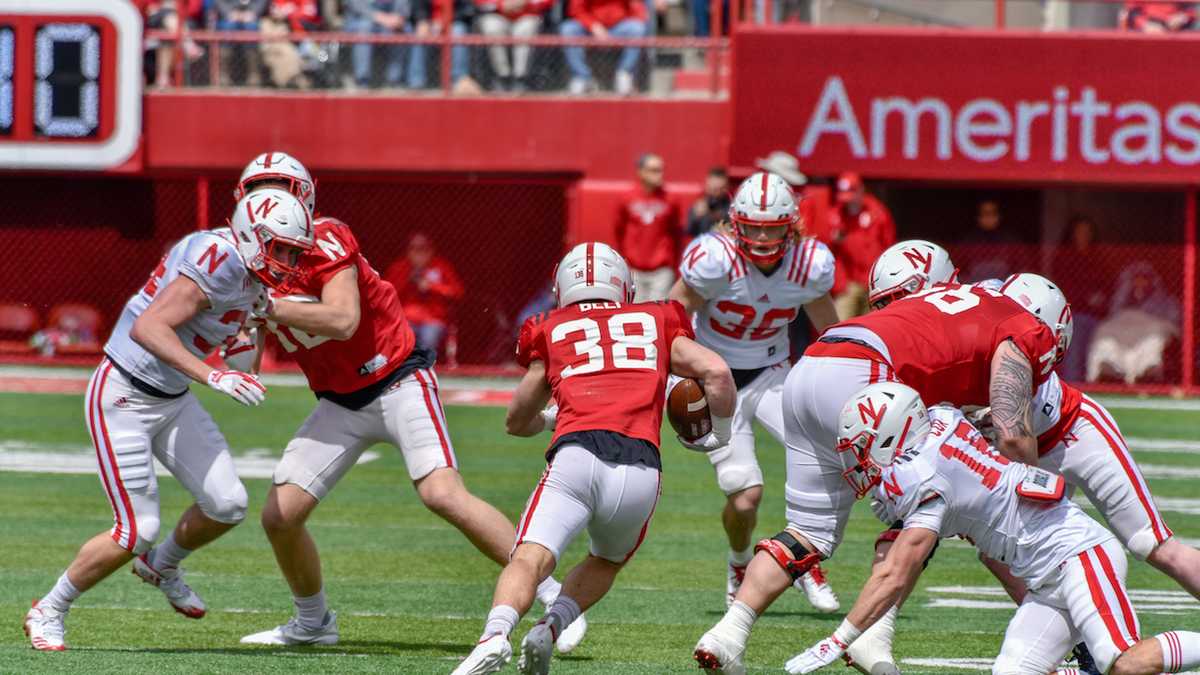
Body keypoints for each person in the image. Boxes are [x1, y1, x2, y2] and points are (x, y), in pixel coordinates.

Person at [230, 154, 585, 650]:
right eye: (259, 190)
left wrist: (264, 306)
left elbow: (343, 318)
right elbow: (245, 363)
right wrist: (235, 334)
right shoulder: (241, 268)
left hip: (397, 379)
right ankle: (313, 622)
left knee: (442, 493)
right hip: (338, 401)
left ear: (304, 196)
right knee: (280, 517)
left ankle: (551, 595)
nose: (270, 201)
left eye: (279, 188)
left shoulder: (326, 237)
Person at [693, 269, 1064, 674]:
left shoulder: (965, 303)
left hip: (812, 366)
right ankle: (873, 635)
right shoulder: (1024, 327)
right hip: (864, 372)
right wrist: (1027, 494)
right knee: (927, 502)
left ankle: (729, 635)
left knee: (809, 531)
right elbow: (1013, 434)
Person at [23, 189, 313, 651]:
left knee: (228, 503)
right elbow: (149, 327)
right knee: (136, 529)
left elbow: (240, 351)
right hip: (124, 395)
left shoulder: (249, 273)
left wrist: (242, 359)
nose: (287, 261)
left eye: (293, 252)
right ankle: (50, 608)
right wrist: (213, 375)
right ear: (253, 235)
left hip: (172, 398)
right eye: (281, 248)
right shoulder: (218, 260)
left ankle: (162, 565)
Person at [452, 242, 736, 674]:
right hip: (641, 468)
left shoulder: (549, 326)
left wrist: (549, 419)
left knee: (529, 559)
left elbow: (516, 419)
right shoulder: (658, 318)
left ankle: (494, 636)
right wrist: (719, 434)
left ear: (562, 288)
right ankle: (550, 629)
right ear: (623, 284)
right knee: (606, 559)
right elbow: (715, 371)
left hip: (577, 455)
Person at [785, 382, 1200, 675]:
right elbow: (967, 417)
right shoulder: (942, 419)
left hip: (1079, 555)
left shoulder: (924, 480)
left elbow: (895, 574)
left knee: (1125, 662)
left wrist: (838, 639)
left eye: (862, 448)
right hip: (1047, 578)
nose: (858, 462)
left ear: (892, 435)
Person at [669, 171, 841, 613]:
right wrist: (676, 377)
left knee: (829, 454)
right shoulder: (714, 258)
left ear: (792, 225)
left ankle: (801, 554)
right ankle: (741, 561)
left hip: (773, 374)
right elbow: (670, 319)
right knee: (745, 497)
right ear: (736, 222)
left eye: (773, 226)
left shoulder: (808, 264)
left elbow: (832, 330)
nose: (763, 237)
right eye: (754, 226)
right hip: (717, 382)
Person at [824, 172, 895, 319]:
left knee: (872, 326)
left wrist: (884, 281)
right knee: (839, 326)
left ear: (860, 191)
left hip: (873, 283)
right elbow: (830, 252)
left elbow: (888, 245)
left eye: (851, 195)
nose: (848, 202)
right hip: (848, 285)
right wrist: (840, 283)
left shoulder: (877, 212)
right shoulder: (836, 215)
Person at [614, 153, 682, 302]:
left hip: (661, 271)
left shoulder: (670, 199)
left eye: (661, 170)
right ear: (641, 172)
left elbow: (676, 233)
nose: (660, 174)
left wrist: (673, 266)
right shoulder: (627, 198)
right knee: (635, 313)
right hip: (634, 270)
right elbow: (619, 230)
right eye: (654, 170)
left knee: (658, 316)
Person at [383, 233, 464, 355]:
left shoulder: (441, 267)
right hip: (406, 318)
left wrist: (432, 287)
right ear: (408, 251)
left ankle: (423, 369)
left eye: (423, 248)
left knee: (428, 340)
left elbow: (457, 292)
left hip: (433, 319)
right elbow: (386, 294)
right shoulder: (399, 268)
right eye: (414, 248)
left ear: (431, 250)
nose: (419, 253)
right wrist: (407, 280)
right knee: (401, 339)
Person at [1052, 215, 1109, 382]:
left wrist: (1098, 299)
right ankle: (1073, 384)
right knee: (1074, 348)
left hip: (1096, 314)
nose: (1084, 235)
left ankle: (1093, 384)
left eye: (1087, 232)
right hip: (1073, 313)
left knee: (1095, 350)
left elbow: (1107, 284)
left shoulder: (1097, 256)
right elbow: (1064, 287)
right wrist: (1086, 297)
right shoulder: (1064, 257)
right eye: (1079, 232)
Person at [560, 0, 647, 96]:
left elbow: (639, 11)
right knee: (568, 29)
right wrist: (592, 25)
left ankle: (624, 74)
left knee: (636, 28)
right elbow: (576, 9)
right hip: (590, 30)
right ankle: (582, 76)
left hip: (618, 29)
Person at [475, 0, 551, 92]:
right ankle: (503, 77)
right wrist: (500, 5)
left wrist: (526, 2)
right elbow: (480, 2)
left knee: (526, 27)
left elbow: (547, 2)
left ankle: (521, 78)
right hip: (497, 15)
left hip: (528, 15)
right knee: (492, 26)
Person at [344, 0, 411, 88]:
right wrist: (381, 18)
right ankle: (362, 81)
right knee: (365, 27)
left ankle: (394, 81)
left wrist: (398, 17)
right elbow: (357, 6)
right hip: (360, 19)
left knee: (405, 29)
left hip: (389, 20)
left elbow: (403, 5)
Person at [959, 199, 1018, 283]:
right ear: (978, 217)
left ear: (998, 216)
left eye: (992, 213)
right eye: (985, 213)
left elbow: (1019, 267)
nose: (988, 217)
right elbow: (962, 269)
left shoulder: (1010, 240)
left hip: (1004, 286)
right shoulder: (969, 240)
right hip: (974, 286)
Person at [215, 0, 268, 85]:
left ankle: (253, 74)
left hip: (251, 16)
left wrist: (253, 13)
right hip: (229, 15)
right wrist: (229, 13)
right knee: (228, 28)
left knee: (251, 28)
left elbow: (261, 2)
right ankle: (223, 74)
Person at [686, 166, 730, 238]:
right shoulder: (700, 204)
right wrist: (697, 216)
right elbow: (689, 230)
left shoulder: (731, 206)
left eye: (720, 189)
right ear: (707, 185)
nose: (716, 193)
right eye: (714, 189)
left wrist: (710, 214)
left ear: (726, 187)